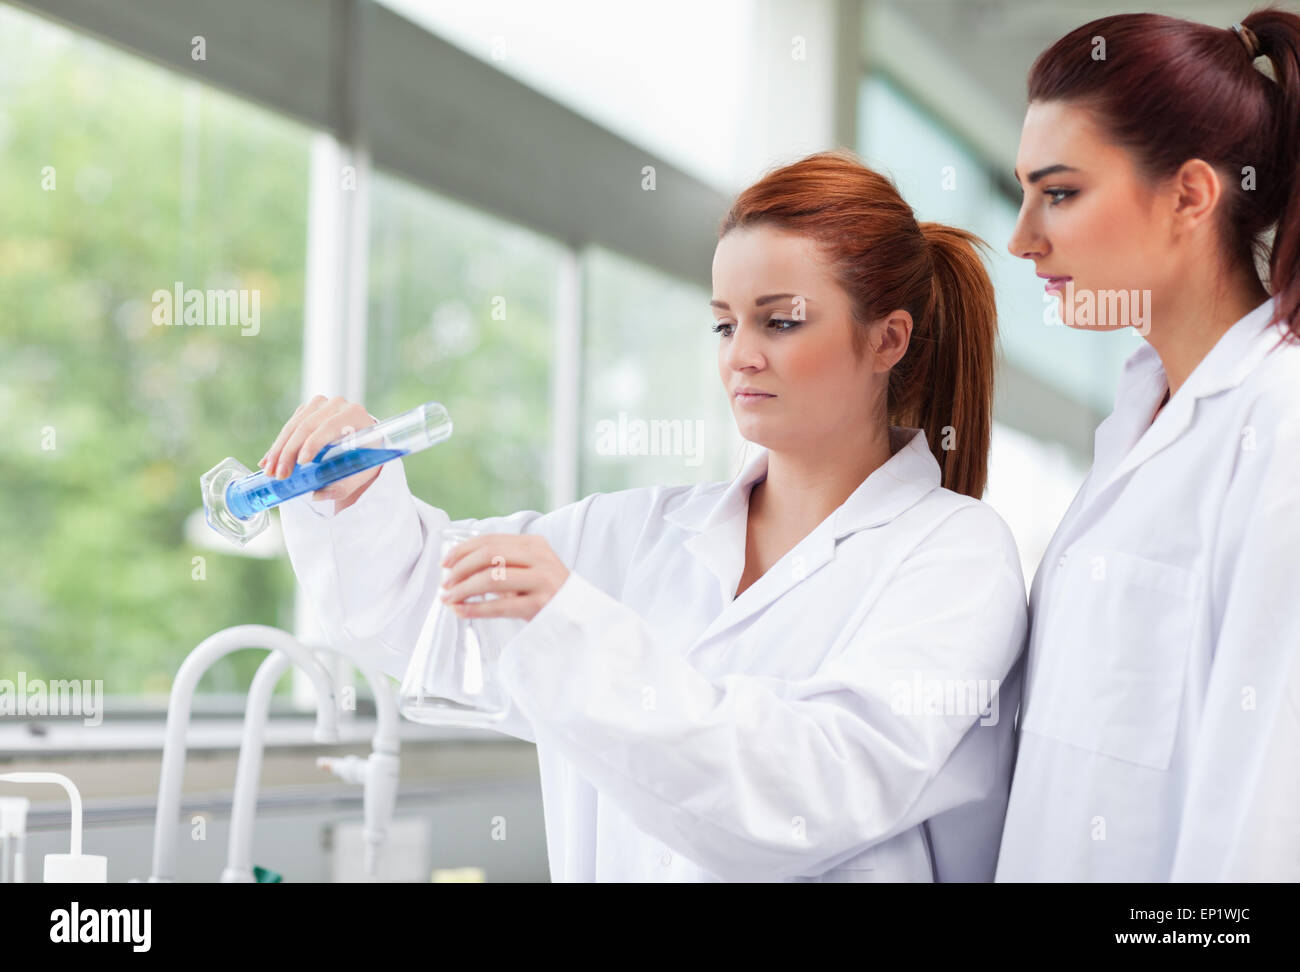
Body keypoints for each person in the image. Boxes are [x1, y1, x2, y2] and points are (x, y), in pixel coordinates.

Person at [267, 151, 1028, 882]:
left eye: (781, 322)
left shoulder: (954, 556)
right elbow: (415, 611)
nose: (741, 356)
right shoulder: (635, 536)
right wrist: (356, 494)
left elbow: (806, 797)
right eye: (725, 324)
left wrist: (573, 630)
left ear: (888, 338)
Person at [997, 8, 1300, 881]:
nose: (1022, 238)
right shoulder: (1139, 415)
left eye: (1059, 192)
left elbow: (1266, 810)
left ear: (1192, 195)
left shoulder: (1279, 422)